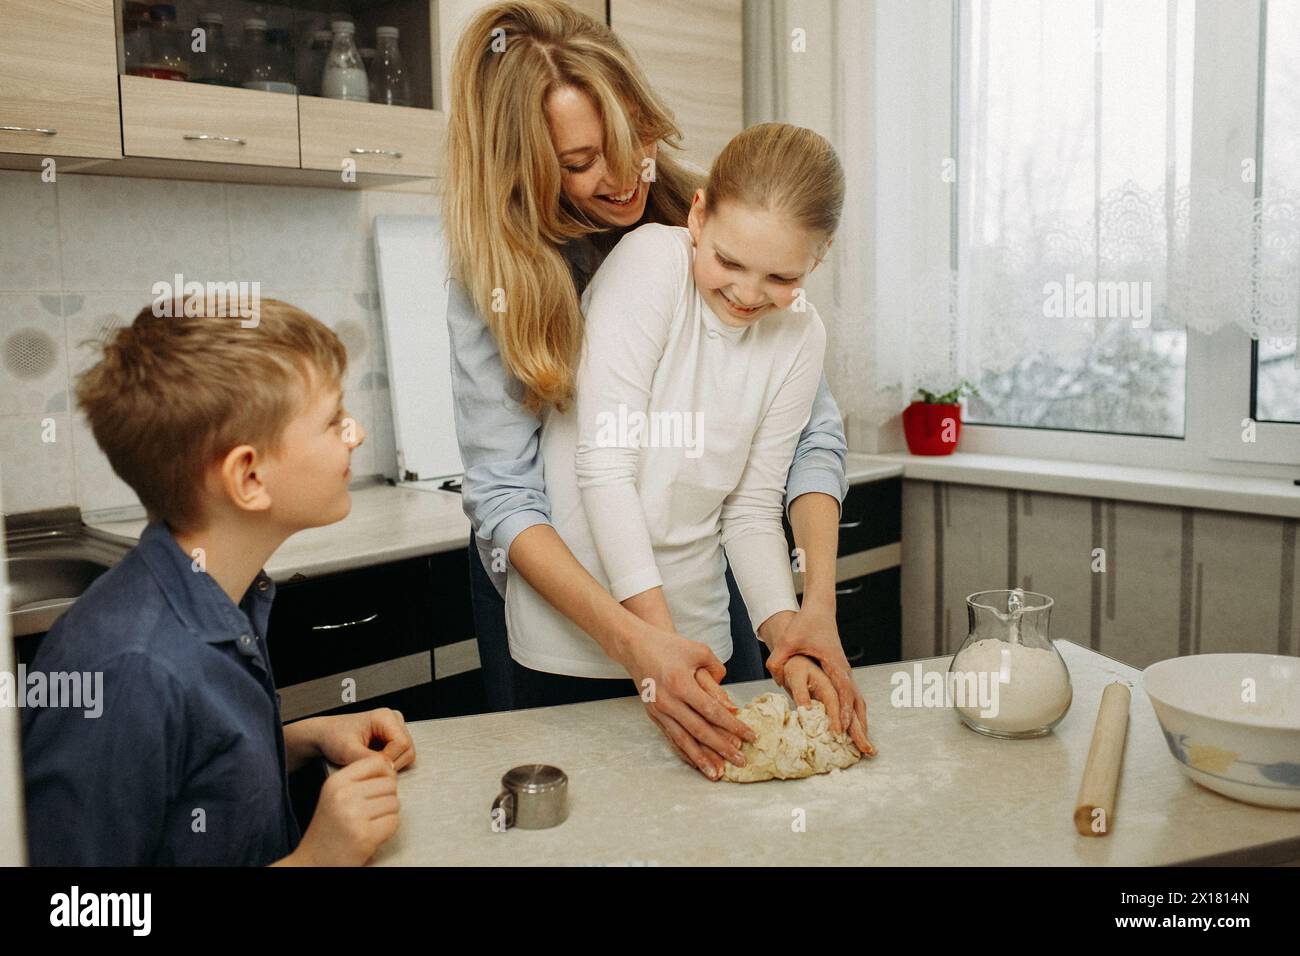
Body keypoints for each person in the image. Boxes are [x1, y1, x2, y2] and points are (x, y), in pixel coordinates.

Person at [444, 0, 869, 776]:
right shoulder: (509, 274)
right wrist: (642, 642)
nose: (623, 174)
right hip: (568, 598)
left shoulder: (723, 229)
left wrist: (806, 616)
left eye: (631, 136)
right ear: (527, 165)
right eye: (578, 163)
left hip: (691, 591)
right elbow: (512, 492)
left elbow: (801, 447)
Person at [21, 298, 413, 866]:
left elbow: (192, 794)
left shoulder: (221, 600)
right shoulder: (131, 672)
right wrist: (314, 862)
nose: (356, 434)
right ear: (248, 477)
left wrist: (306, 739)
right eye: (334, 420)